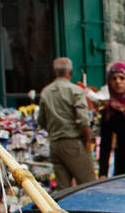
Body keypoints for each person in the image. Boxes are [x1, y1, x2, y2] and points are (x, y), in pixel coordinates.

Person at [37, 57, 94, 189]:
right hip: (73, 143)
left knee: (64, 190)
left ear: (55, 72)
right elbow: (83, 120)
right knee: (88, 186)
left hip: (55, 144)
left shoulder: (46, 92)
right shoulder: (75, 90)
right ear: (71, 72)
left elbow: (41, 120)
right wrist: (87, 140)